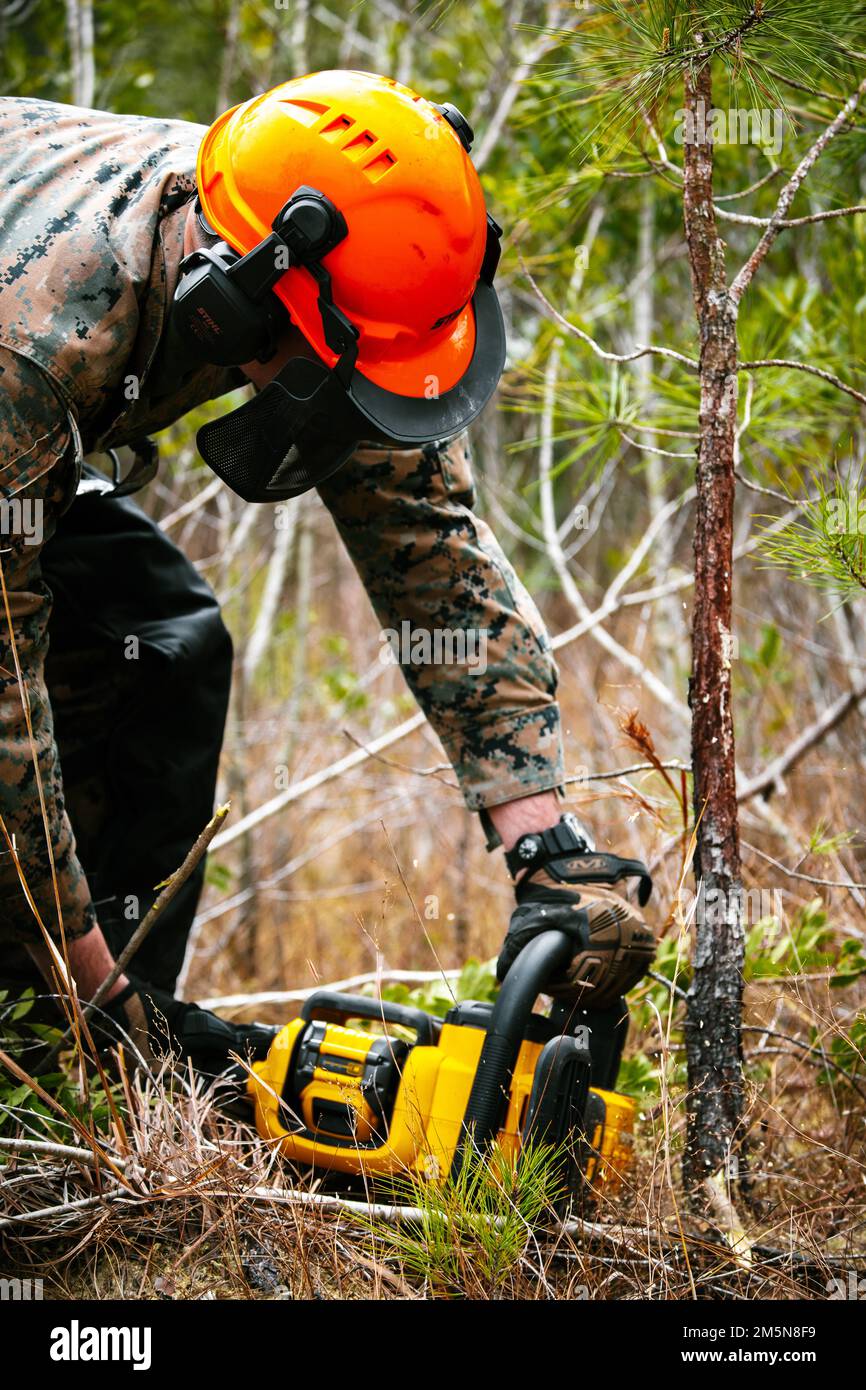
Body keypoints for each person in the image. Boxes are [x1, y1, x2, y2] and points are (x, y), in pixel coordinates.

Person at [0, 70, 655, 1081]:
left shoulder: (331, 252)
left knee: (164, 647)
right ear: (231, 301)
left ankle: (73, 1074)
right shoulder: (36, 348)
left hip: (34, 452)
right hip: (17, 402)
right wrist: (103, 1000)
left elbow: (425, 540)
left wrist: (545, 845)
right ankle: (84, 1033)